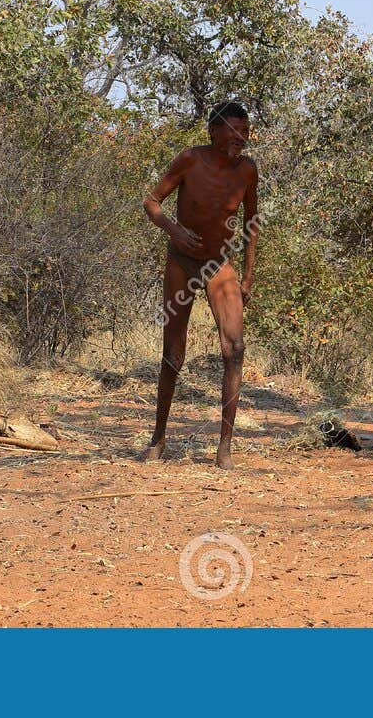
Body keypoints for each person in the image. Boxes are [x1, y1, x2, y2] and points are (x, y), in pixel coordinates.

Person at [139, 101, 259, 469]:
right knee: (173, 354)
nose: (241, 138)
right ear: (213, 132)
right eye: (233, 131)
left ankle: (224, 448)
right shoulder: (191, 159)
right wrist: (174, 229)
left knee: (234, 348)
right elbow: (152, 201)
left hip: (219, 263)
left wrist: (248, 276)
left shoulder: (248, 170)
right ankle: (158, 439)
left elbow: (253, 222)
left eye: (246, 132)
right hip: (182, 260)